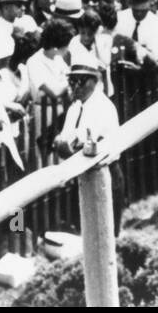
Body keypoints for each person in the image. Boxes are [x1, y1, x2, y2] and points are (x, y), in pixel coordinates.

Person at [54, 49, 123, 234]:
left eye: (81, 81)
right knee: (86, 233)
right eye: (72, 81)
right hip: (83, 176)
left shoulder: (103, 107)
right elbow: (64, 139)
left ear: (95, 80)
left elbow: (82, 147)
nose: (76, 86)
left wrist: (65, 146)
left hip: (104, 175)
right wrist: (62, 144)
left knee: (107, 233)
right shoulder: (75, 108)